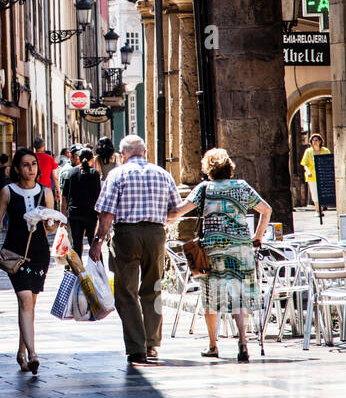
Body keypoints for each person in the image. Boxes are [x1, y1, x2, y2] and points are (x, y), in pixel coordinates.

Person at [168, 148, 272, 362]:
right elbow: (266, 209)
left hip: (213, 250)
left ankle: (213, 345)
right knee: (239, 296)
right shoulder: (242, 187)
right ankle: (243, 342)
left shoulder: (205, 188)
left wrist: (159, 216)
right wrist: (257, 236)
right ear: (229, 167)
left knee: (211, 295)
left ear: (208, 169)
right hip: (241, 249)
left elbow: (179, 211)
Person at [89, 133, 181, 365]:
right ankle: (152, 343)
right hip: (155, 234)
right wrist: (158, 219)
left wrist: (98, 241)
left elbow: (107, 213)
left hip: (126, 234)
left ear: (123, 155)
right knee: (154, 288)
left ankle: (136, 347)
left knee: (126, 292)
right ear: (145, 153)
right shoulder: (163, 173)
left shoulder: (116, 174)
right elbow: (174, 210)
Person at [0, 148, 57, 373]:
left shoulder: (46, 192)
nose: (31, 169)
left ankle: (21, 352)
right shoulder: (7, 192)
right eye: (26, 165)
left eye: (34, 164)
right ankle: (34, 353)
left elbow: (50, 226)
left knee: (29, 304)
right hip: (15, 252)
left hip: (39, 253)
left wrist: (50, 223)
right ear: (17, 169)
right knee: (24, 301)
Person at [61, 147, 101, 257]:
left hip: (74, 213)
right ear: (92, 159)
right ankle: (98, 269)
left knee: (76, 244)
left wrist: (62, 216)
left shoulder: (71, 173)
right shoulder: (94, 173)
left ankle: (77, 272)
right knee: (93, 243)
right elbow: (99, 194)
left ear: (78, 158)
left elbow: (64, 196)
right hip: (90, 214)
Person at [299, 132, 331, 212]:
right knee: (315, 193)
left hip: (323, 175)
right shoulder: (308, 151)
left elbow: (329, 161)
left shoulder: (325, 150)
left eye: (316, 140)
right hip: (312, 176)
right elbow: (305, 163)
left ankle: (321, 207)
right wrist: (308, 172)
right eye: (313, 140)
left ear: (320, 141)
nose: (315, 142)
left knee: (323, 193)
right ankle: (318, 210)